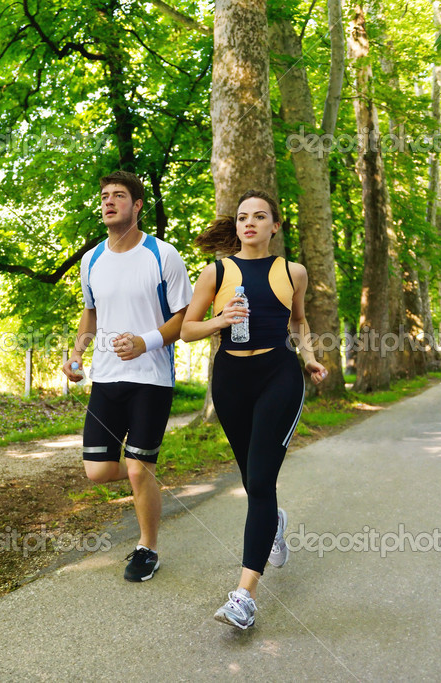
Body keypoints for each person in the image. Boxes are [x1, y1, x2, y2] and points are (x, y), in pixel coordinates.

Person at [179, 189, 327, 628]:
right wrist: (220, 321)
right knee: (253, 481)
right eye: (244, 217)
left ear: (274, 226)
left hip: (278, 376)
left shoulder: (292, 271)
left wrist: (310, 356)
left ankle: (244, 596)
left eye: (260, 217)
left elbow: (297, 320)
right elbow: (187, 329)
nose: (250, 223)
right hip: (230, 381)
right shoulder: (217, 271)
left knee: (260, 479)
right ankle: (274, 523)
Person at [62, 170, 192, 582]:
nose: (108, 201)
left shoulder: (163, 255)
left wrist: (146, 341)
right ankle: (146, 474)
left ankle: (147, 547)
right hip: (107, 378)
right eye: (104, 196)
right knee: (97, 471)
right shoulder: (91, 260)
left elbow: (184, 319)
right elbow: (91, 312)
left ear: (137, 206)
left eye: (119, 195)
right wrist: (77, 354)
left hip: (152, 379)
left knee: (136, 467)